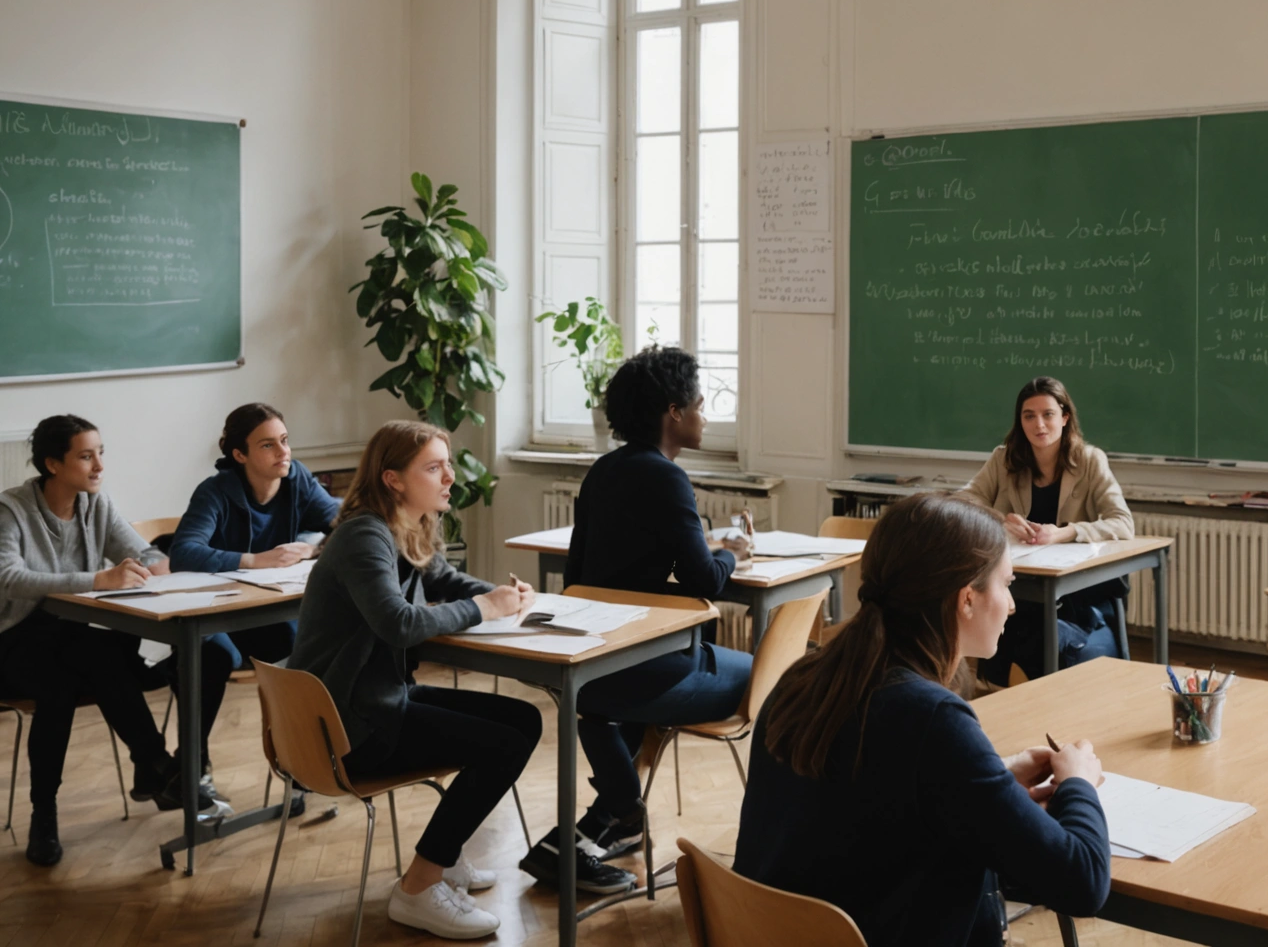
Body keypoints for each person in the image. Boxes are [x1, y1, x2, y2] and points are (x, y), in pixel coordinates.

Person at [734, 492, 1109, 946]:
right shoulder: (931, 719)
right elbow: (1083, 883)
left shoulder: (803, 677)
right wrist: (1079, 783)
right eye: (1006, 584)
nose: (1012, 605)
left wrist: (997, 776)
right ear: (966, 599)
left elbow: (873, 798)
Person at [289, 421, 540, 939]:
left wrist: (499, 594)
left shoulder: (406, 525)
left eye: (448, 463)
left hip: (376, 702)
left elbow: (442, 580)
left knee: (523, 718)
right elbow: (398, 623)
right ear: (393, 479)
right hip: (348, 728)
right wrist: (483, 607)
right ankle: (418, 888)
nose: (450, 476)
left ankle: (443, 858)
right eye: (434, 467)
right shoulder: (364, 534)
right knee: (501, 746)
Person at [528, 345, 755, 893]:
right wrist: (734, 553)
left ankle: (600, 827)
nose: (705, 413)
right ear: (673, 412)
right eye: (700, 403)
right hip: (649, 669)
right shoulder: (667, 478)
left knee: (615, 712)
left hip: (596, 665)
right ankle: (753, 850)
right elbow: (704, 582)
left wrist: (703, 546)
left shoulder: (604, 471)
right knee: (772, 675)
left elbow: (580, 572)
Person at [0, 415, 218, 867]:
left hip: (68, 636)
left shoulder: (95, 503)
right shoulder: (12, 508)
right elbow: (8, 578)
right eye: (85, 455)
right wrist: (95, 578)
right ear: (52, 464)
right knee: (62, 687)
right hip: (13, 637)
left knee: (112, 652)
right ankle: (57, 809)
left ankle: (153, 766)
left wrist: (156, 564)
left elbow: (141, 550)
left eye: (101, 452)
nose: (99, 465)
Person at [168, 403, 340, 780]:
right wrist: (252, 560)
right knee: (214, 658)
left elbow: (350, 521)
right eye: (268, 446)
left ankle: (302, 766)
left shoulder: (298, 480)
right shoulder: (215, 491)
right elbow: (183, 552)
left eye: (284, 440)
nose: (284, 453)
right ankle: (193, 768)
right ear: (239, 455)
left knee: (299, 653)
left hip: (261, 609)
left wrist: (313, 548)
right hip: (211, 612)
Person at [957, 377, 1135, 683]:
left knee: (1031, 630)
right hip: (1017, 582)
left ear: (1065, 418)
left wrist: (1064, 532)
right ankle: (994, 691)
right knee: (992, 610)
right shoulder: (1004, 458)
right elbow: (962, 500)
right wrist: (1000, 519)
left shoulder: (1090, 461)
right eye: (1029, 416)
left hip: (1071, 591)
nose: (1039, 424)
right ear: (1020, 421)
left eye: (1048, 414)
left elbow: (1123, 522)